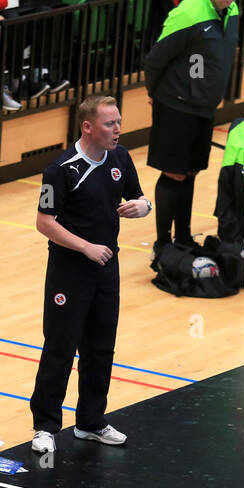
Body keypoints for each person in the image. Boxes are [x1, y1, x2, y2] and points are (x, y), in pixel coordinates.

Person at [29, 95, 149, 456]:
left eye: (119, 122)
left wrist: (143, 207)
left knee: (100, 347)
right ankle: (45, 426)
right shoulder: (61, 169)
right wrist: (84, 247)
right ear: (88, 127)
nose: (118, 129)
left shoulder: (120, 158)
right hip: (70, 270)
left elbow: (140, 199)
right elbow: (44, 222)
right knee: (61, 346)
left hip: (106, 268)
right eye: (110, 123)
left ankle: (91, 422)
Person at [143, 0, 238, 255]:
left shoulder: (232, 11)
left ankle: (182, 237)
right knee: (174, 172)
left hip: (204, 106)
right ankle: (162, 242)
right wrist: (154, 92)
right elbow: (155, 59)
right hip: (176, 104)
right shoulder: (188, 14)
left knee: (191, 171)